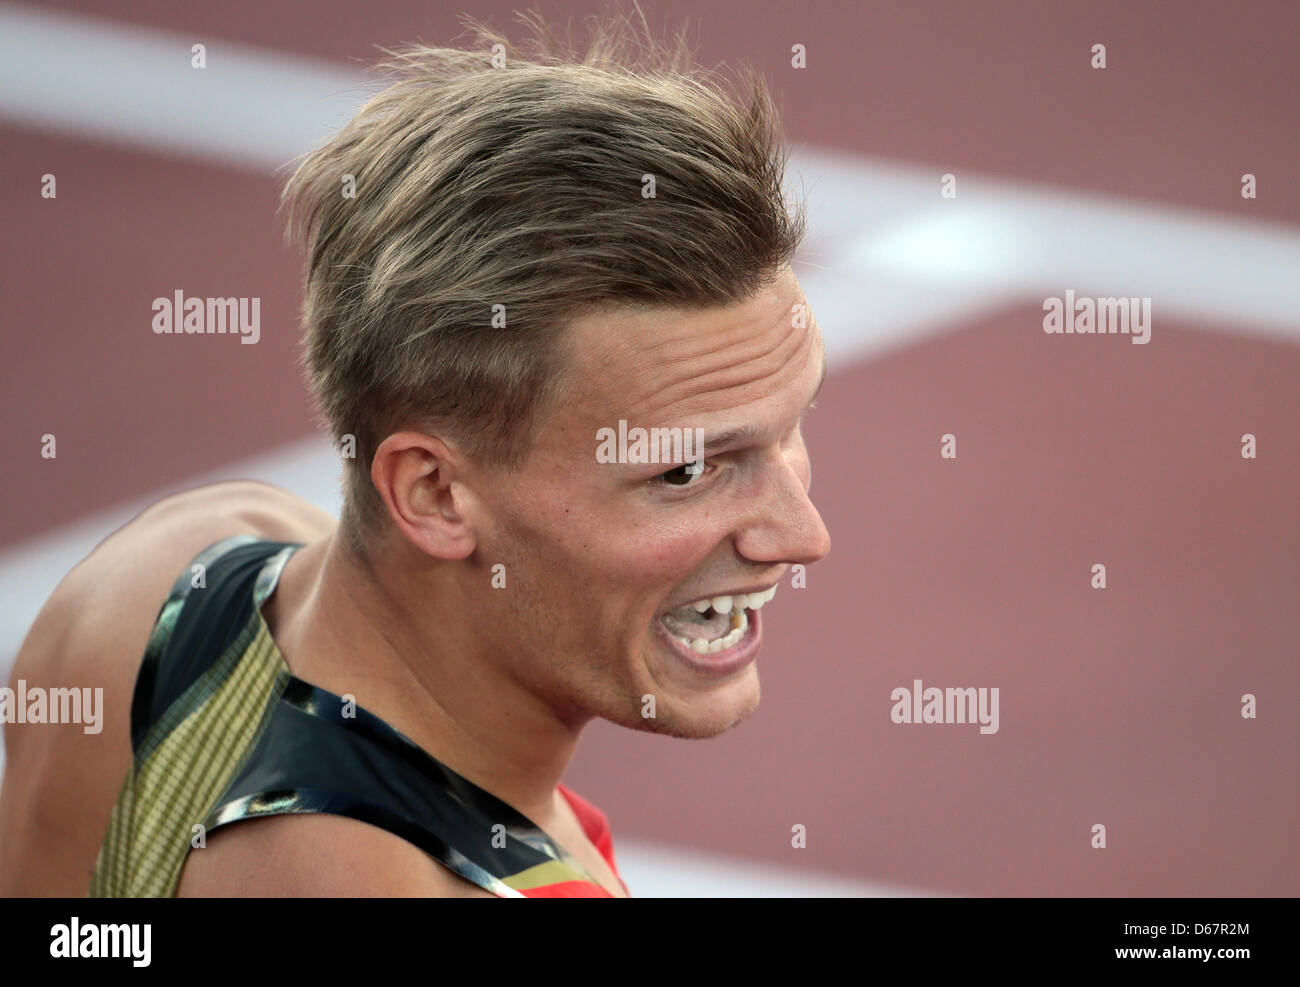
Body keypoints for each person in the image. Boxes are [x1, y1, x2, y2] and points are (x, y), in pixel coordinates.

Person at [0, 7, 830, 897]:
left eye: (791, 429)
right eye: (685, 470)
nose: (801, 534)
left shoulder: (154, 583)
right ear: (432, 493)